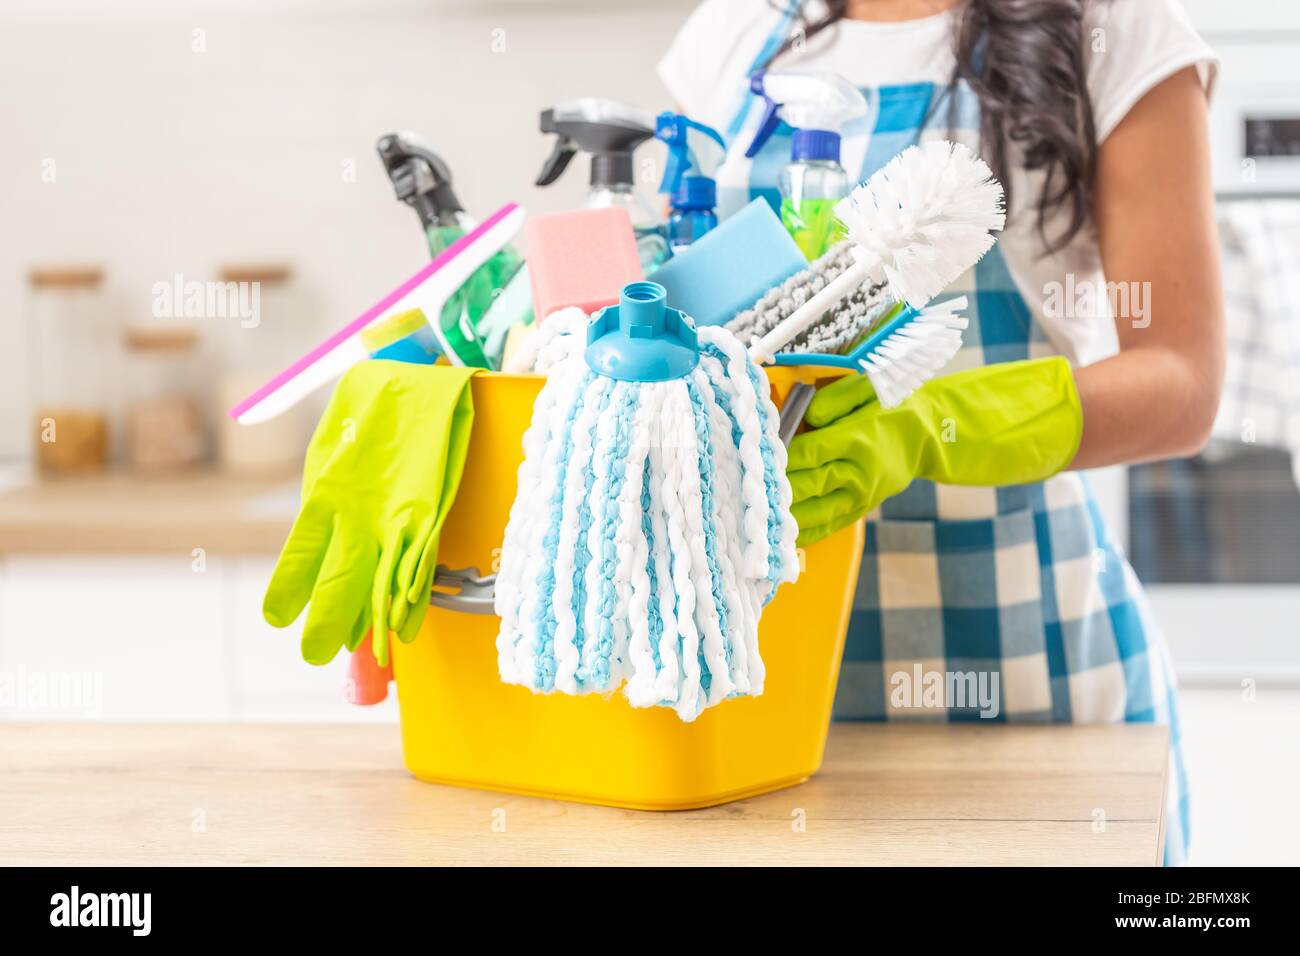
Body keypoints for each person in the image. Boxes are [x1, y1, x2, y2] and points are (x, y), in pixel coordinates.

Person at [659, 0, 1223, 865]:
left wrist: (927, 428)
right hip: (766, 682)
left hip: (1026, 670)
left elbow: (1182, 381)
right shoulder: (735, 32)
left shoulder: (1112, 27)